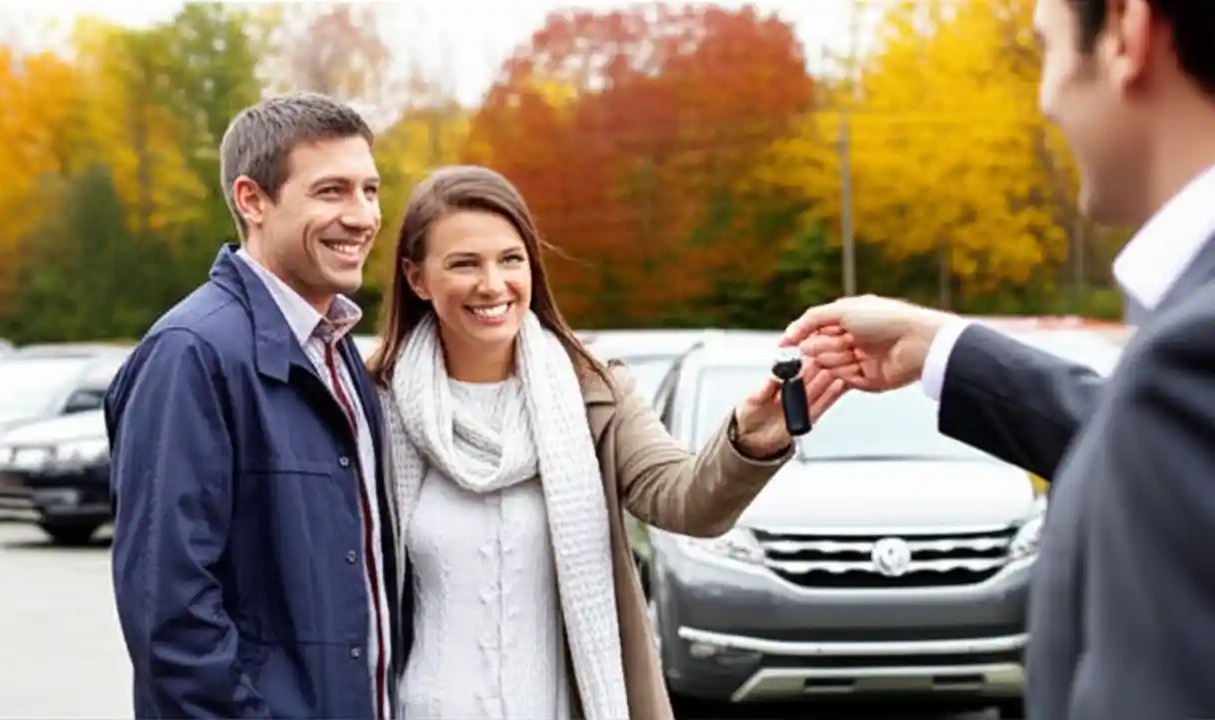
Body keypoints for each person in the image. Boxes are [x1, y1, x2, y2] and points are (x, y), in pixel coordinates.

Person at [781, 1, 1215, 718]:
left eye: (1046, 51)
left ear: (1127, 37)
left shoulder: (1190, 357)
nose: (1044, 98)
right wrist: (943, 350)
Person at [366, 165, 846, 720]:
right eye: (464, 263)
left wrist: (748, 443)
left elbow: (686, 501)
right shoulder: (375, 406)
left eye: (510, 259)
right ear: (417, 277)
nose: (492, 284)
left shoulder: (595, 393)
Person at [103, 93, 399, 719]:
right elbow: (171, 614)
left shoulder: (336, 350)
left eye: (370, 190)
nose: (363, 216)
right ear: (252, 199)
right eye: (331, 192)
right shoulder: (191, 354)